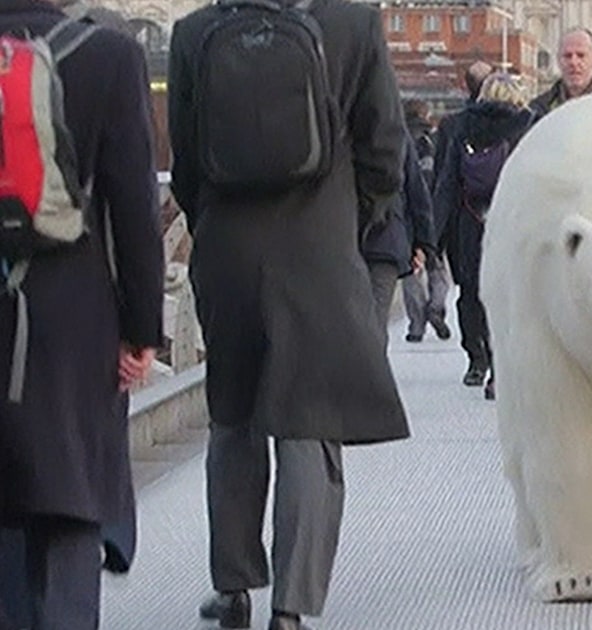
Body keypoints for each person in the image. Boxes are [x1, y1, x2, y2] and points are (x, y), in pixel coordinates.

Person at [168, 0, 411, 626]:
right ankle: (293, 606)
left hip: (227, 249)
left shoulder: (195, 33)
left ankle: (233, 588)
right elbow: (385, 142)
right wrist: (355, 216)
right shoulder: (353, 25)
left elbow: (188, 162)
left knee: (233, 416)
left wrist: (214, 226)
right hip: (320, 247)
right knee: (310, 422)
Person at [0, 0, 164, 626]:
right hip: (73, 318)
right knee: (68, 508)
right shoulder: (108, 56)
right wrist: (140, 331)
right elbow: (134, 211)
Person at [433, 73, 535, 401]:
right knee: (511, 298)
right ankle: (500, 369)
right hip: (512, 222)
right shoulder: (526, 126)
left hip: (470, 222)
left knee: (472, 294)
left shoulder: (462, 126)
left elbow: (447, 182)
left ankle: (478, 358)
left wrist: (431, 236)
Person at [361, 130, 437, 337]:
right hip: (386, 237)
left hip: (346, 241)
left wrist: (423, 243)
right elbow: (417, 192)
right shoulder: (396, 135)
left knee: (360, 323)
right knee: (375, 321)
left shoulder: (336, 130)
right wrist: (422, 243)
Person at [399, 100, 452, 343]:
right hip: (433, 208)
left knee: (410, 271)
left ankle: (416, 324)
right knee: (436, 266)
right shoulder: (433, 140)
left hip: (405, 211)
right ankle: (436, 307)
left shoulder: (398, 137)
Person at [530, 27, 592, 116]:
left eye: (581, 55)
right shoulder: (537, 111)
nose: (573, 62)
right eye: (567, 56)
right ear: (558, 60)